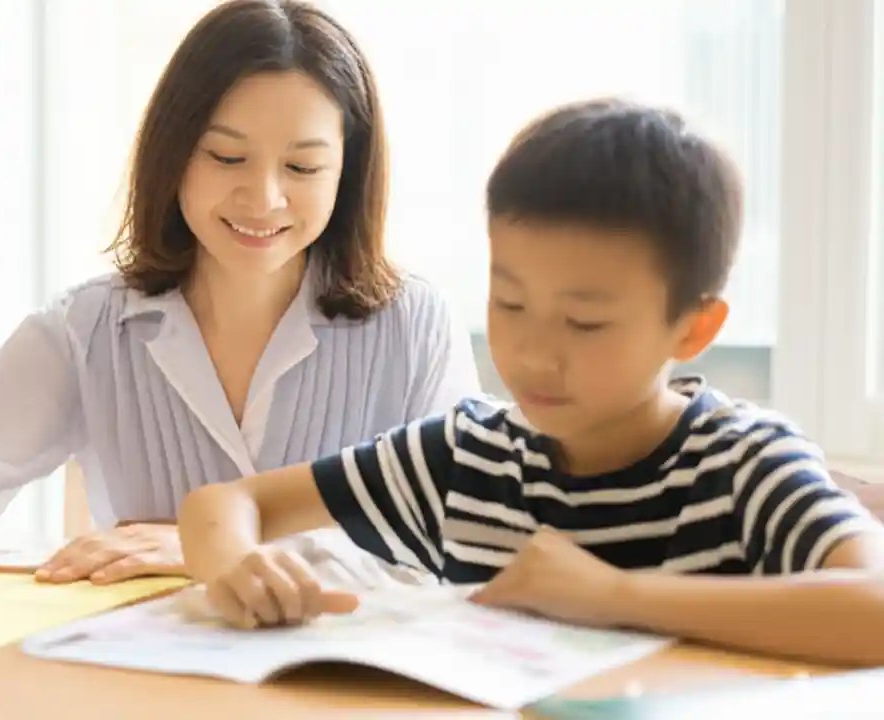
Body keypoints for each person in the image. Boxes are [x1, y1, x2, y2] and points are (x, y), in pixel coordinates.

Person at [0, 0, 481, 632]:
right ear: (174, 152)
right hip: (152, 679)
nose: (264, 197)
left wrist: (213, 549)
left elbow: (464, 543)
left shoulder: (412, 325)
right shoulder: (90, 329)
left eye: (303, 167)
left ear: (347, 175)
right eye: (227, 157)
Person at [177, 98, 884, 666]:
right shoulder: (471, 456)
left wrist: (615, 596)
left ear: (693, 329)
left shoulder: (742, 465)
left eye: (584, 323)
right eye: (509, 305)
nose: (535, 354)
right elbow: (228, 501)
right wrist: (236, 569)